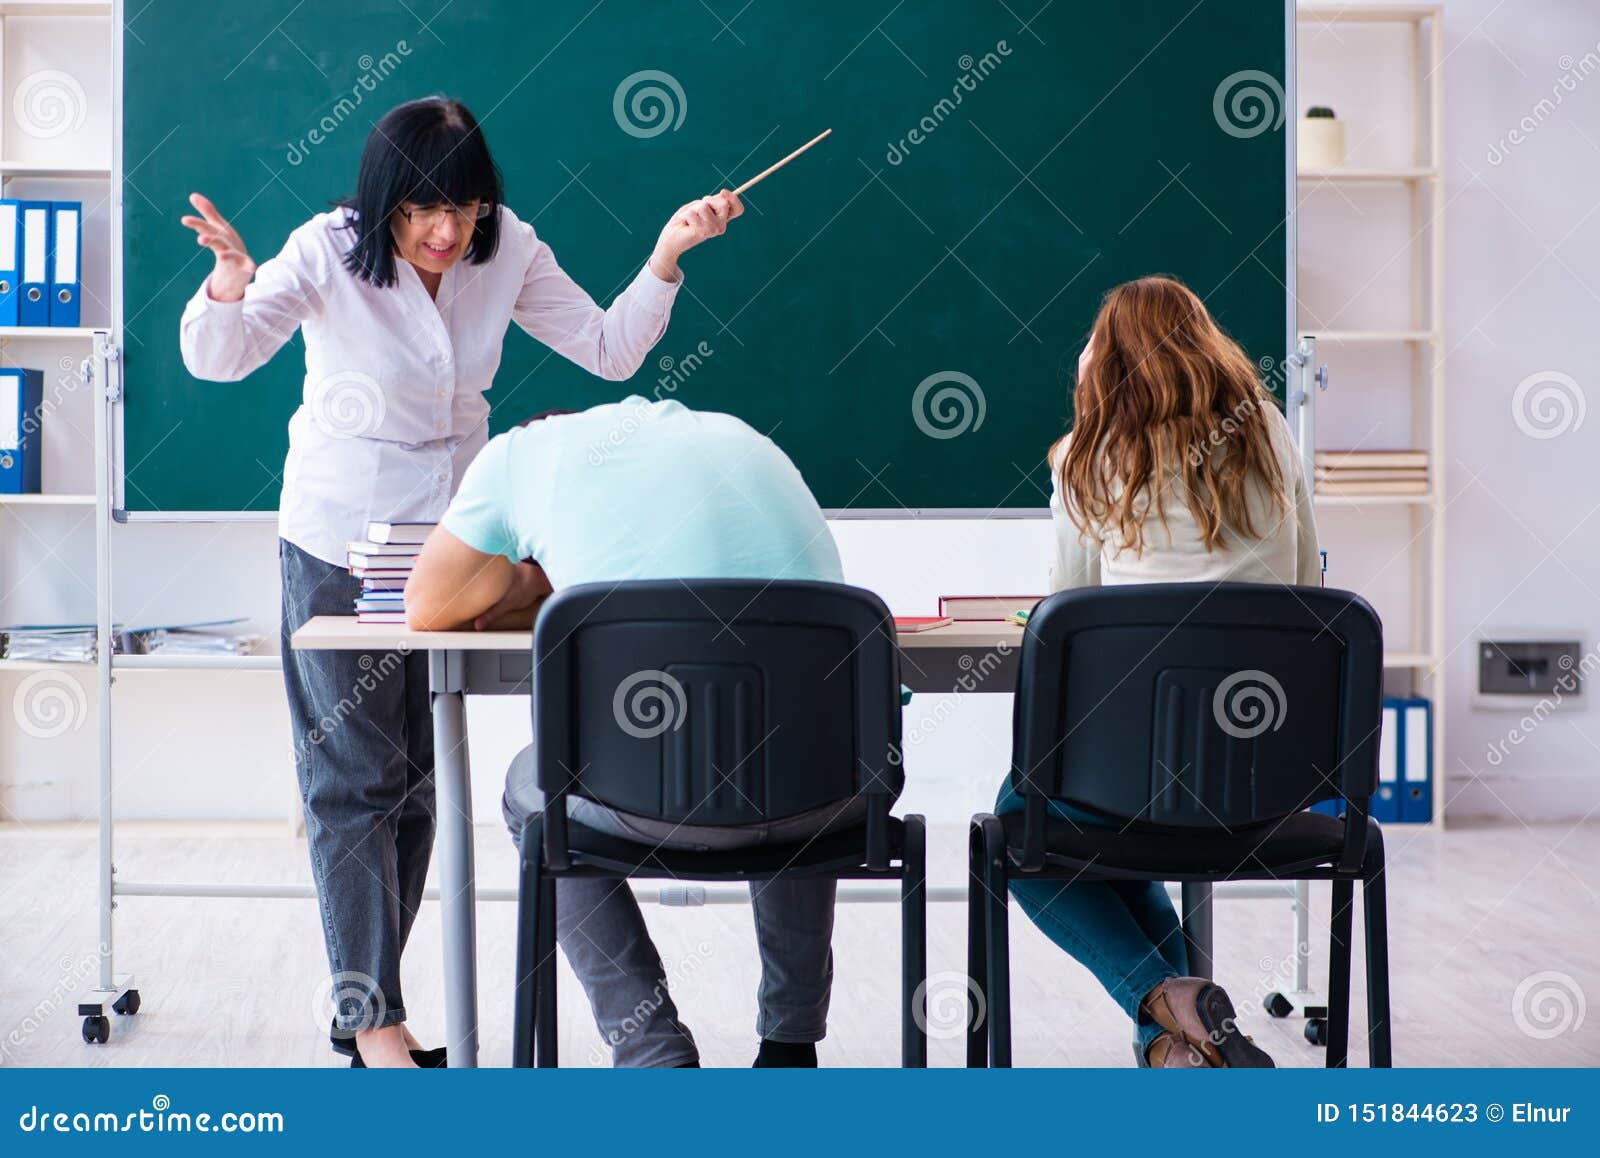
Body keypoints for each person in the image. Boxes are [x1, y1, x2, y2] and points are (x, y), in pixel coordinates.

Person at [178, 96, 743, 1068]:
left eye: (465, 207)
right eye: (422, 210)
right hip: (339, 540)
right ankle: (373, 1021)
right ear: (383, 202)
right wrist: (230, 287)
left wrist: (664, 257)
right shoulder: (326, 248)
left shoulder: (507, 244)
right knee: (354, 781)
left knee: (415, 785)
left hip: (452, 542)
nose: (446, 231)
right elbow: (220, 360)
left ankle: (368, 1007)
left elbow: (608, 350)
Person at [405, 399, 849, 1068]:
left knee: (536, 797)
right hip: (822, 797)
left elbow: (426, 604)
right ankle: (791, 1043)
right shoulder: (743, 435)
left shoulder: (517, 458)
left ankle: (651, 1051)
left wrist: (528, 579)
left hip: (638, 802)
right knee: (785, 739)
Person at [1006, 275, 1320, 1068]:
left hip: (1137, 783)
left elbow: (1067, 619)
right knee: (1103, 830)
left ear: (1106, 361)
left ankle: (1163, 1000)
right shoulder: (1270, 431)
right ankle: (1178, 1047)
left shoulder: (1088, 456)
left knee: (1021, 821)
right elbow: (1308, 594)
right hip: (1269, 780)